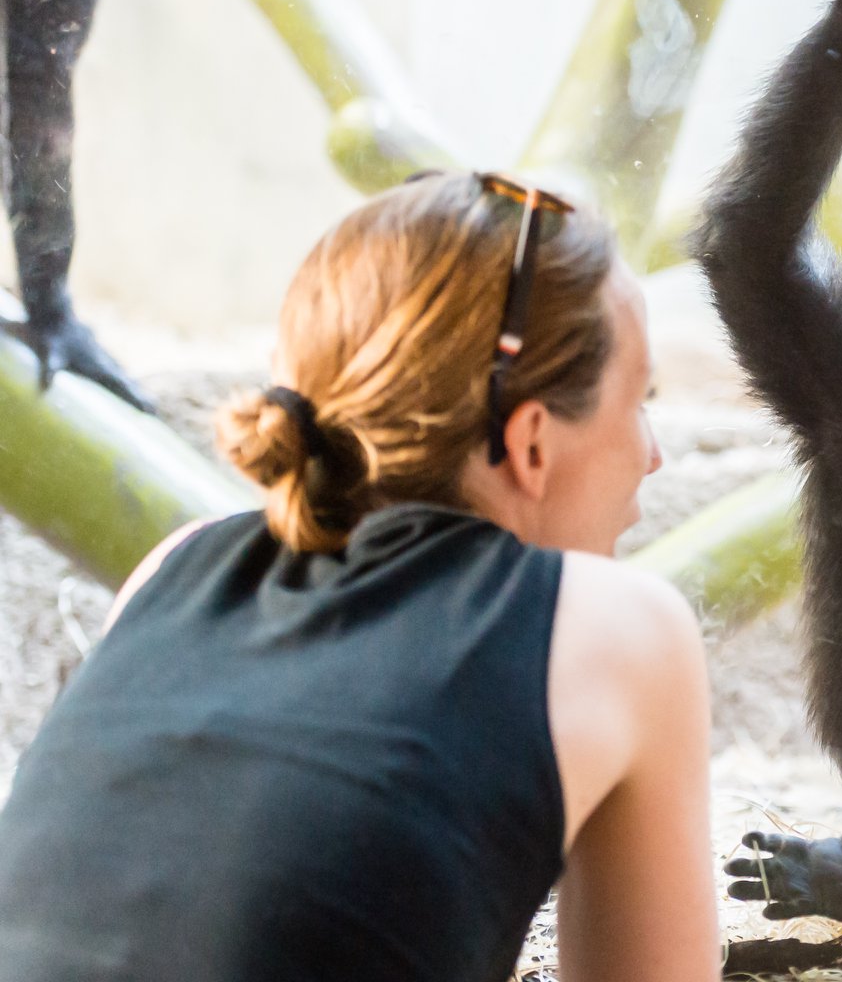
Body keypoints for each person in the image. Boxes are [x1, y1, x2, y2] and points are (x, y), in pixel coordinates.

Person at [0, 172, 719, 982]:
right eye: (638, 401)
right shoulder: (622, 630)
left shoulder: (174, 568)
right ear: (530, 444)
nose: (654, 455)